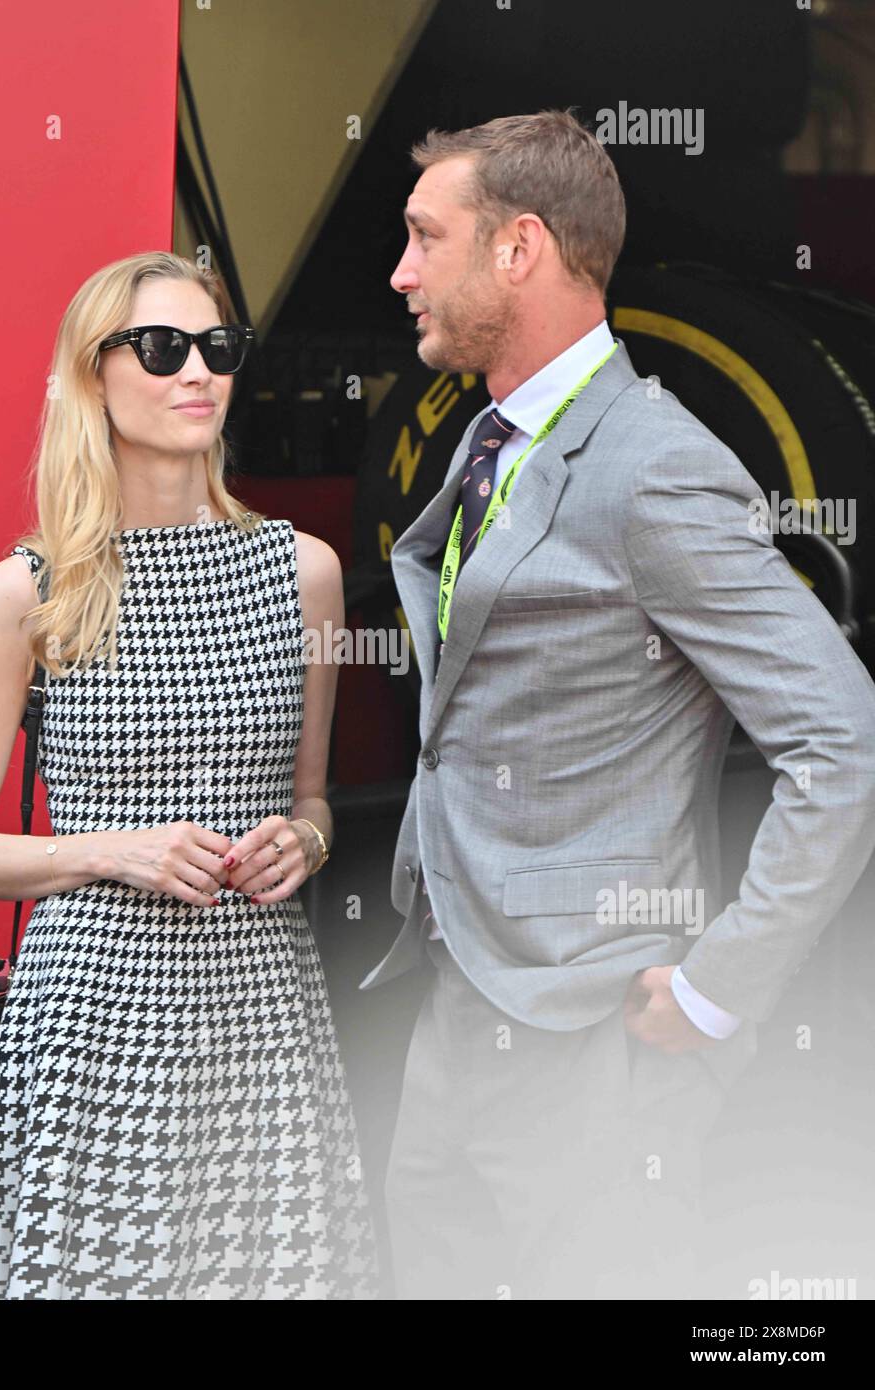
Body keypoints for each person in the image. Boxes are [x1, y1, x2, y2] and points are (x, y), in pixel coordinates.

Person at [360, 110, 875, 1299]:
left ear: (518, 247)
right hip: (456, 1006)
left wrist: (717, 989)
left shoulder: (653, 465)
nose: (398, 272)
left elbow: (839, 735)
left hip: (592, 1040)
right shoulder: (491, 441)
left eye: (423, 237)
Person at [0, 250, 379, 1300]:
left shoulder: (300, 572)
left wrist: (302, 841)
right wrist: (116, 848)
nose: (197, 372)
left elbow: (310, 799)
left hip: (254, 1009)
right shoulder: (31, 590)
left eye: (215, 348)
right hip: (87, 1026)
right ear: (93, 374)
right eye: (163, 348)